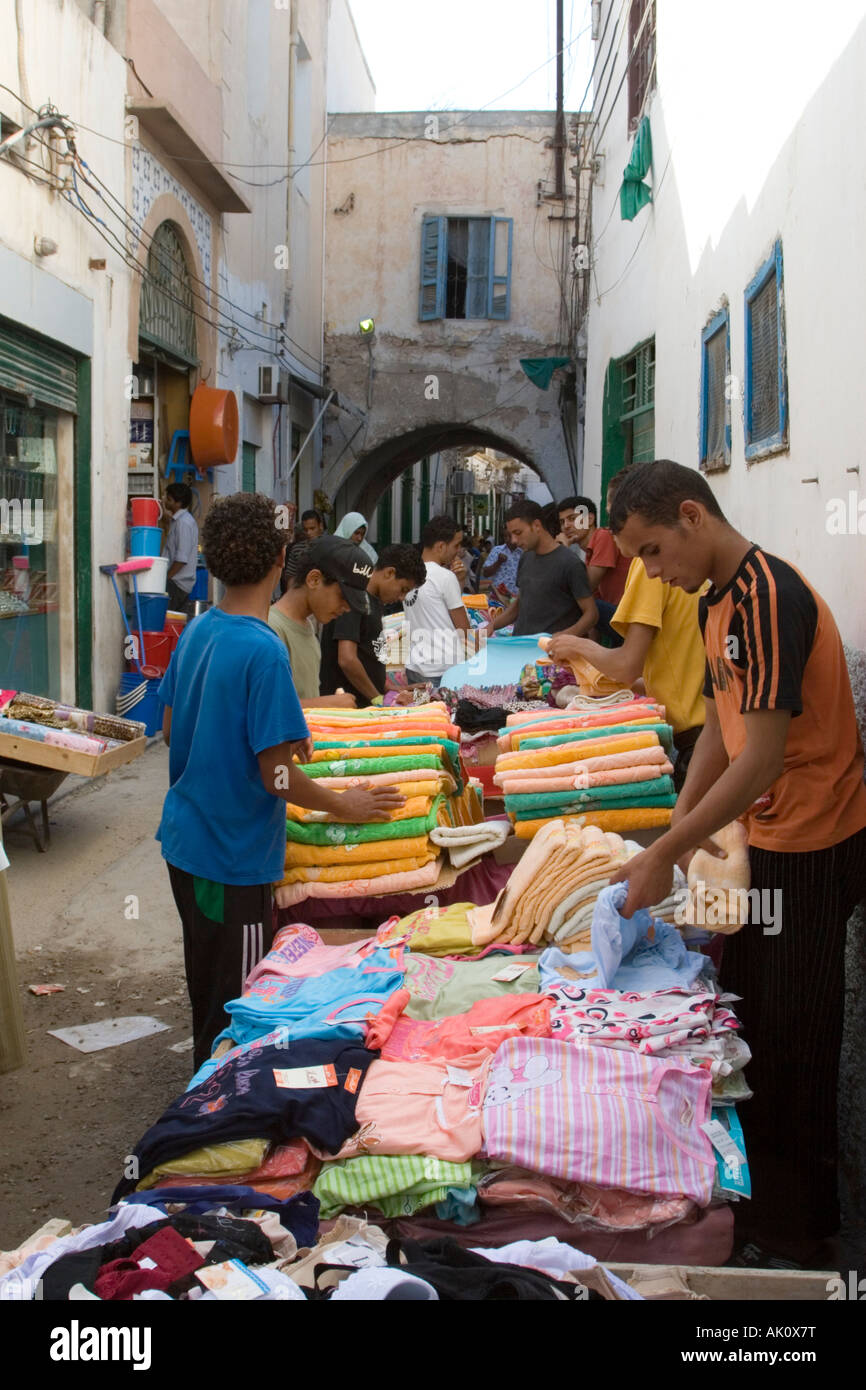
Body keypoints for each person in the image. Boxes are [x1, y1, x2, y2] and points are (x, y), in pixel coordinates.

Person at [605, 458, 866, 1268]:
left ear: (693, 515)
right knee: (754, 1018)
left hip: (813, 841)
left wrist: (668, 851)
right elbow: (724, 725)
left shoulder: (767, 596)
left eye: (652, 551)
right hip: (770, 839)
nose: (651, 572)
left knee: (799, 1035)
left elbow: (762, 758)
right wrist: (681, 823)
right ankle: (762, 1210)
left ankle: (801, 1231)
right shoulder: (719, 599)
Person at [157, 492, 403, 1069]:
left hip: (185, 843)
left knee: (207, 986)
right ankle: (218, 1110)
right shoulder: (263, 648)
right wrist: (347, 803)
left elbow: (171, 728)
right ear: (280, 560)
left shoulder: (198, 631)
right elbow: (280, 779)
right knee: (242, 1006)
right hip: (231, 856)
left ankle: (207, 1086)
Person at [548, 472, 706, 789]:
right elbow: (668, 671)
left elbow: (625, 664)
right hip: (703, 735)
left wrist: (577, 647)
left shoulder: (647, 568)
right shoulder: (689, 569)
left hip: (697, 739)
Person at [320, 543, 427, 706]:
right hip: (346, 707)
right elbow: (347, 659)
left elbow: (367, 657)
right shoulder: (354, 598)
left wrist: (395, 689)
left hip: (365, 702)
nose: (402, 598)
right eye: (403, 589)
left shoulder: (374, 602)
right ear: (390, 573)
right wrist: (378, 699)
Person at [268, 538, 369, 708]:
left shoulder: (308, 628)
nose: (346, 608)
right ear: (314, 579)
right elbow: (268, 709)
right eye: (343, 597)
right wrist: (328, 705)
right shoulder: (271, 630)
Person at [486, 500, 597, 638]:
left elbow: (591, 614)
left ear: (536, 525)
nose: (514, 540)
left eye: (518, 532)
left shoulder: (570, 563)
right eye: (511, 534)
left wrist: (564, 636)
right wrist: (491, 626)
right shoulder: (526, 558)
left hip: (550, 653)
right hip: (520, 646)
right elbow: (519, 605)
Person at [404, 514, 470, 683]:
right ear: (441, 546)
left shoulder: (408, 573)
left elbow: (435, 608)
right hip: (442, 669)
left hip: (415, 666)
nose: (458, 551)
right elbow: (463, 628)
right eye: (456, 546)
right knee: (442, 709)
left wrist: (460, 581)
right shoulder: (444, 577)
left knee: (421, 708)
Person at [559, 494, 631, 644]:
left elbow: (585, 588)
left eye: (572, 519)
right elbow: (592, 598)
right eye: (562, 521)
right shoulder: (589, 554)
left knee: (574, 601)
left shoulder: (603, 536)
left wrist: (563, 553)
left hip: (629, 620)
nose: (566, 526)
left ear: (590, 519)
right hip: (617, 617)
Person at [163, 483, 199, 617]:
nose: (165, 501)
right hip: (178, 582)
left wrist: (166, 578)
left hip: (177, 583)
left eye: (169, 499)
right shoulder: (179, 521)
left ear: (178, 503)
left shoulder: (183, 523)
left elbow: (181, 559)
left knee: (168, 621)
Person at [481, 533, 521, 601]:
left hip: (516, 599)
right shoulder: (497, 550)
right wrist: (498, 562)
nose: (508, 539)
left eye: (510, 536)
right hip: (497, 597)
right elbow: (485, 573)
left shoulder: (523, 552)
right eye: (505, 536)